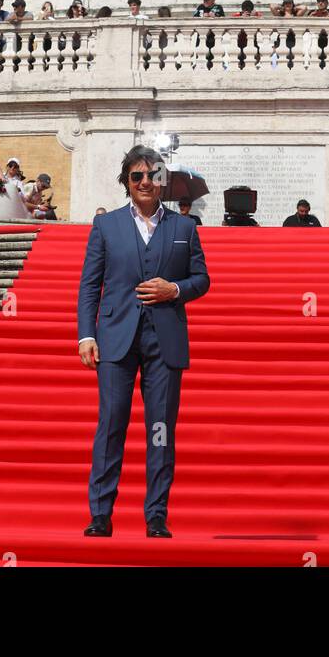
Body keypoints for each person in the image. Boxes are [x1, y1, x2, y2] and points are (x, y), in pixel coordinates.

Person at [77, 145, 210, 539]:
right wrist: (86, 333)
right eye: (137, 176)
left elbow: (202, 280)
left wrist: (176, 289)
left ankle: (156, 515)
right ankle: (100, 514)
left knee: (160, 429)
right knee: (112, 424)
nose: (146, 182)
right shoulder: (107, 226)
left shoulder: (184, 228)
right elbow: (90, 284)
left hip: (164, 341)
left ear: (161, 181)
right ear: (126, 182)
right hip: (116, 338)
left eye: (152, 175)